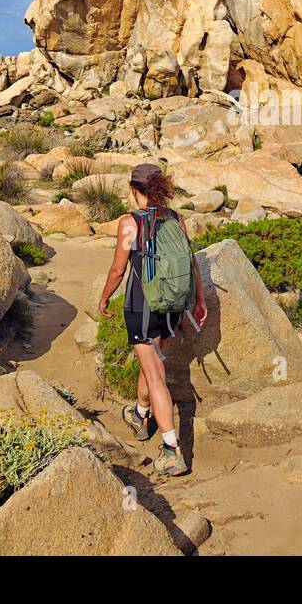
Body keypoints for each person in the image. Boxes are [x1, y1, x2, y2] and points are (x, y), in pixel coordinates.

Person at [97, 163, 207, 477]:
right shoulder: (175, 218)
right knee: (152, 362)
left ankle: (172, 449)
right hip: (172, 306)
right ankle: (141, 414)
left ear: (135, 190)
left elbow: (118, 270)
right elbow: (192, 261)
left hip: (142, 307)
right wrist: (198, 300)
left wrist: (104, 298)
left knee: (156, 375)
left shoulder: (130, 223)